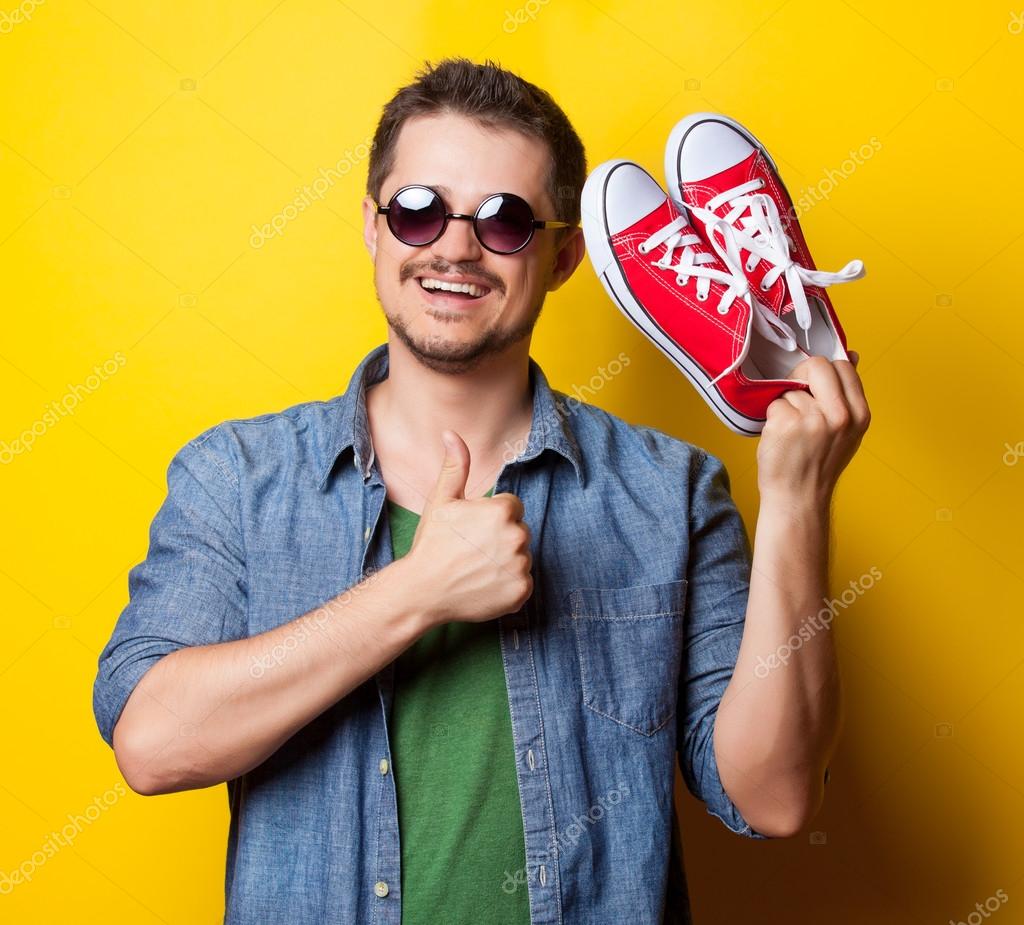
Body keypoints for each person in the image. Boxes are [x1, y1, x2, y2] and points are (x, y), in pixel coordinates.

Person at [93, 57, 870, 925]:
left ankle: (767, 337)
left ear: (565, 255)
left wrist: (799, 498)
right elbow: (152, 743)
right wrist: (418, 590)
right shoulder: (237, 476)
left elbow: (773, 796)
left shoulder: (670, 491)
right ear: (374, 228)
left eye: (505, 221)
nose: (456, 247)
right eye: (418, 209)